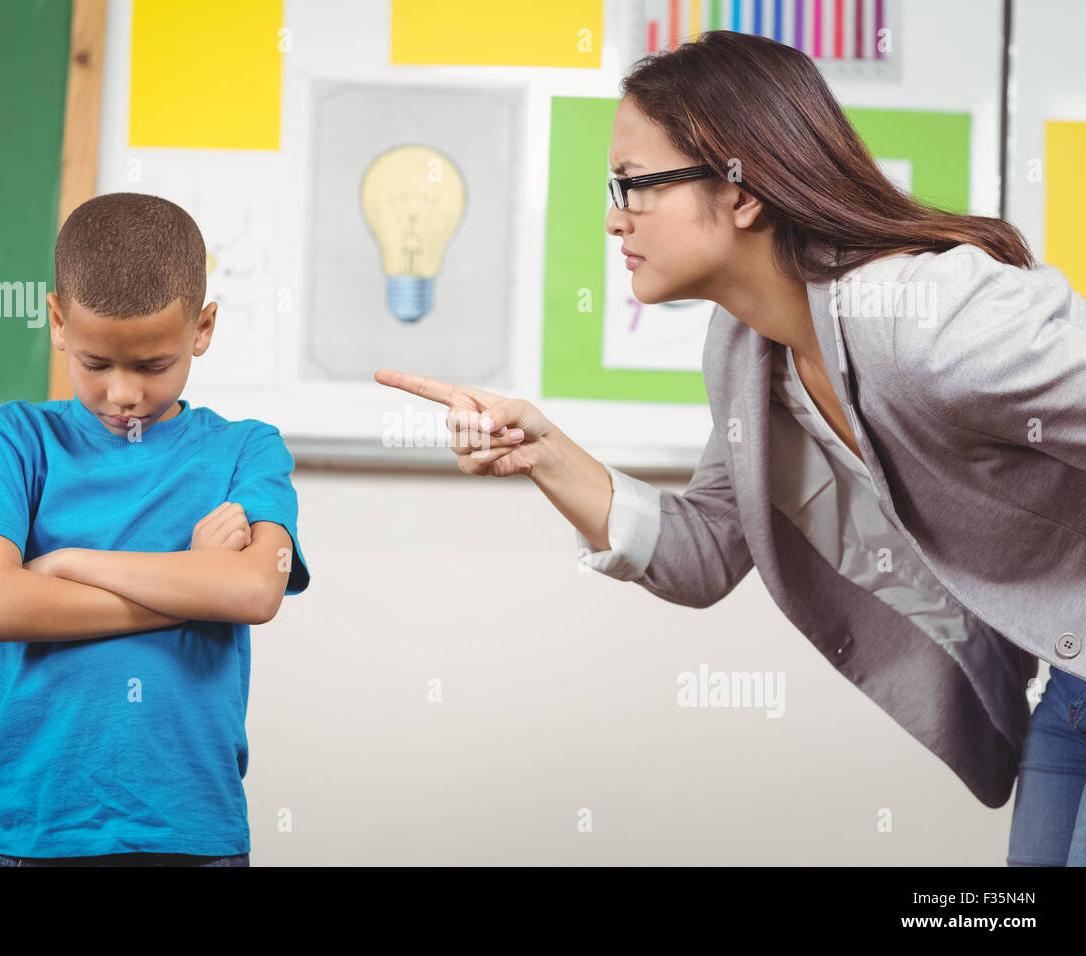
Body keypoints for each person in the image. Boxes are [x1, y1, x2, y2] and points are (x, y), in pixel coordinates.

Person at [376, 31, 1086, 866]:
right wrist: (542, 449)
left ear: (743, 191)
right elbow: (704, 550)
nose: (613, 217)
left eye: (633, 185)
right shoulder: (749, 353)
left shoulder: (926, 317)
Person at [0, 192, 311, 867]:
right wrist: (190, 583)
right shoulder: (12, 439)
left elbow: (252, 594)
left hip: (191, 830)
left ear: (204, 328)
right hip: (32, 829)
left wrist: (62, 563)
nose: (123, 392)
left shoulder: (248, 449)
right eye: (97, 364)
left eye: (153, 365)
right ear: (59, 322)